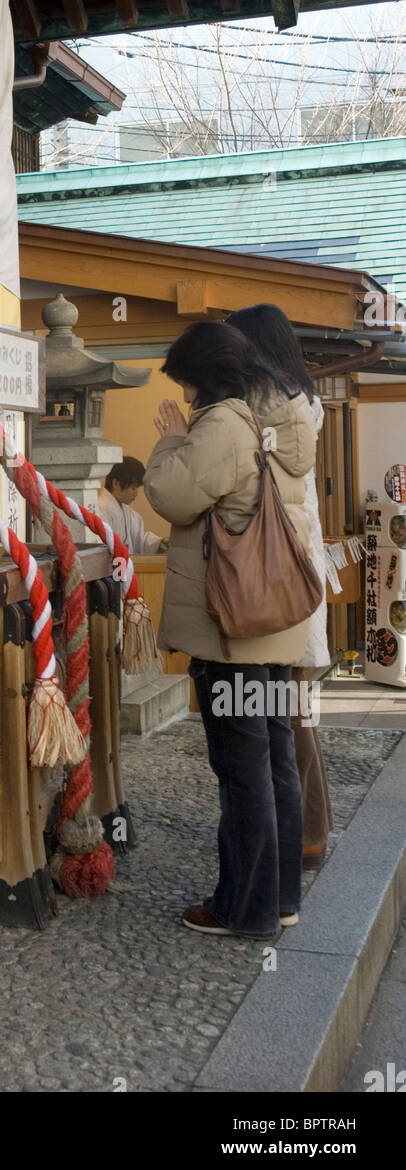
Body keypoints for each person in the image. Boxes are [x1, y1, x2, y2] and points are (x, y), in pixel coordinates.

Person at [144, 321, 316, 937]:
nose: (184, 393)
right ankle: (282, 899)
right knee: (274, 764)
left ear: (205, 375)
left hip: (231, 635)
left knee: (242, 771)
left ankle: (246, 910)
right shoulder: (284, 427)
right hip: (273, 630)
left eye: (185, 380)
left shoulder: (220, 425)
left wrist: (169, 442)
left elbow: (170, 495)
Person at [226, 303, 334, 870]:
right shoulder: (303, 399)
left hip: (274, 576)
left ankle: (302, 839)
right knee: (296, 713)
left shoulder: (262, 404)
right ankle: (311, 833)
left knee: (284, 719)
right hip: (299, 572)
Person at [97, 458, 163, 555]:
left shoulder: (129, 513)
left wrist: (161, 543)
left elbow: (141, 540)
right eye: (133, 488)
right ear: (116, 484)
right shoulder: (99, 508)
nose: (135, 493)